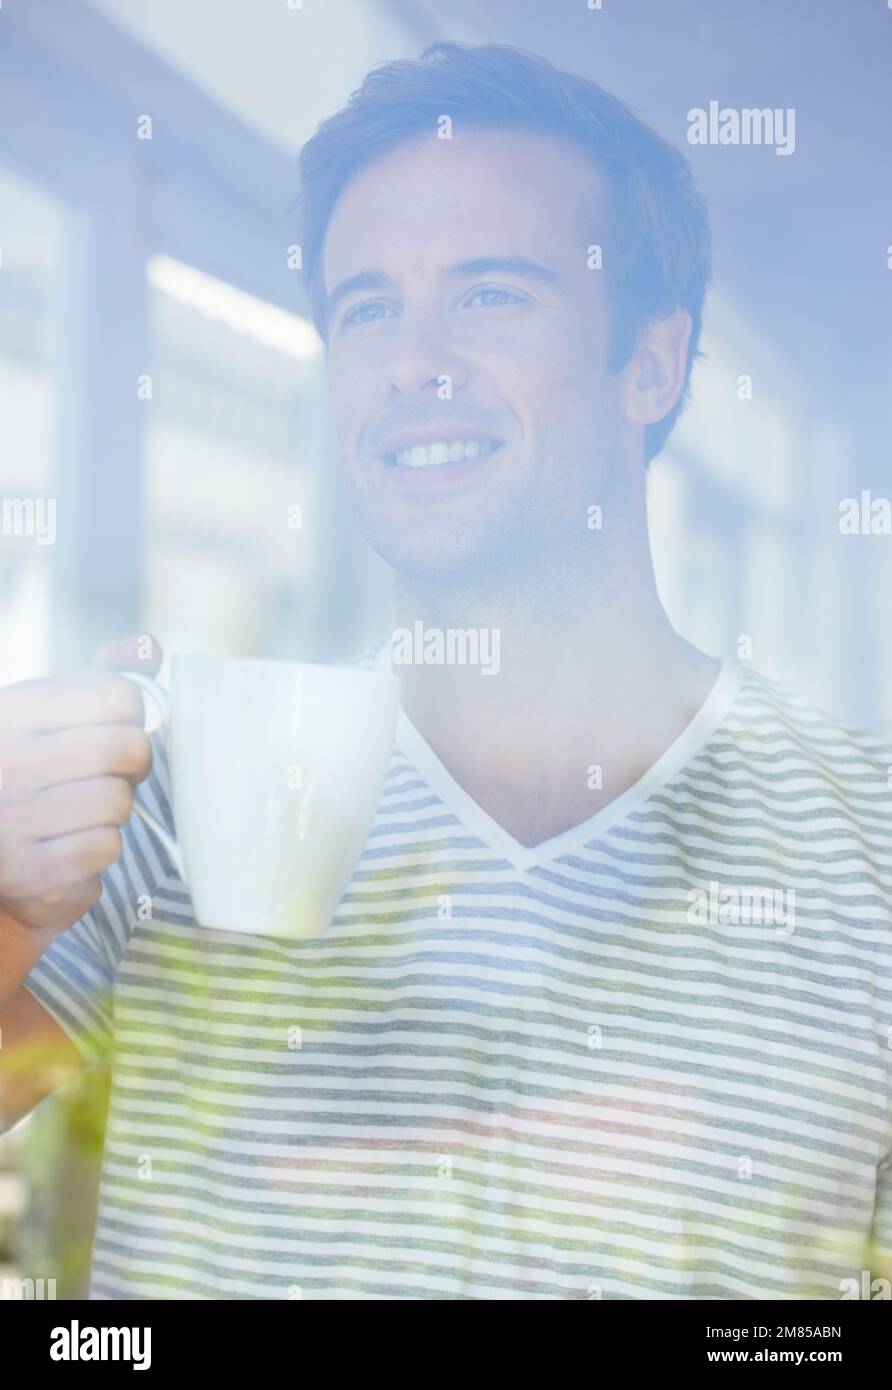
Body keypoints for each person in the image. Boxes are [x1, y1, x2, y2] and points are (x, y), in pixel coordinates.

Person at [1, 42, 890, 1300]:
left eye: (490, 296)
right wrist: (8, 911)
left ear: (651, 362)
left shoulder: (868, 843)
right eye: (366, 307)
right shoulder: (173, 799)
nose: (412, 360)